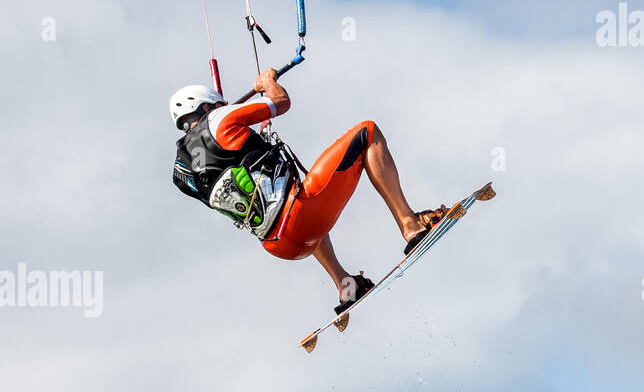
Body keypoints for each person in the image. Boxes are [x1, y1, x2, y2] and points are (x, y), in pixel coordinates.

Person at [170, 68, 452, 314]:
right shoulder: (219, 119)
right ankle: (411, 224)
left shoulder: (182, 173)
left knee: (289, 197)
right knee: (368, 132)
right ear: (206, 107)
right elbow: (281, 101)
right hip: (302, 215)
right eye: (220, 105)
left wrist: (255, 137)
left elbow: (234, 167)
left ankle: (345, 285)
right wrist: (268, 82)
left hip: (279, 245)